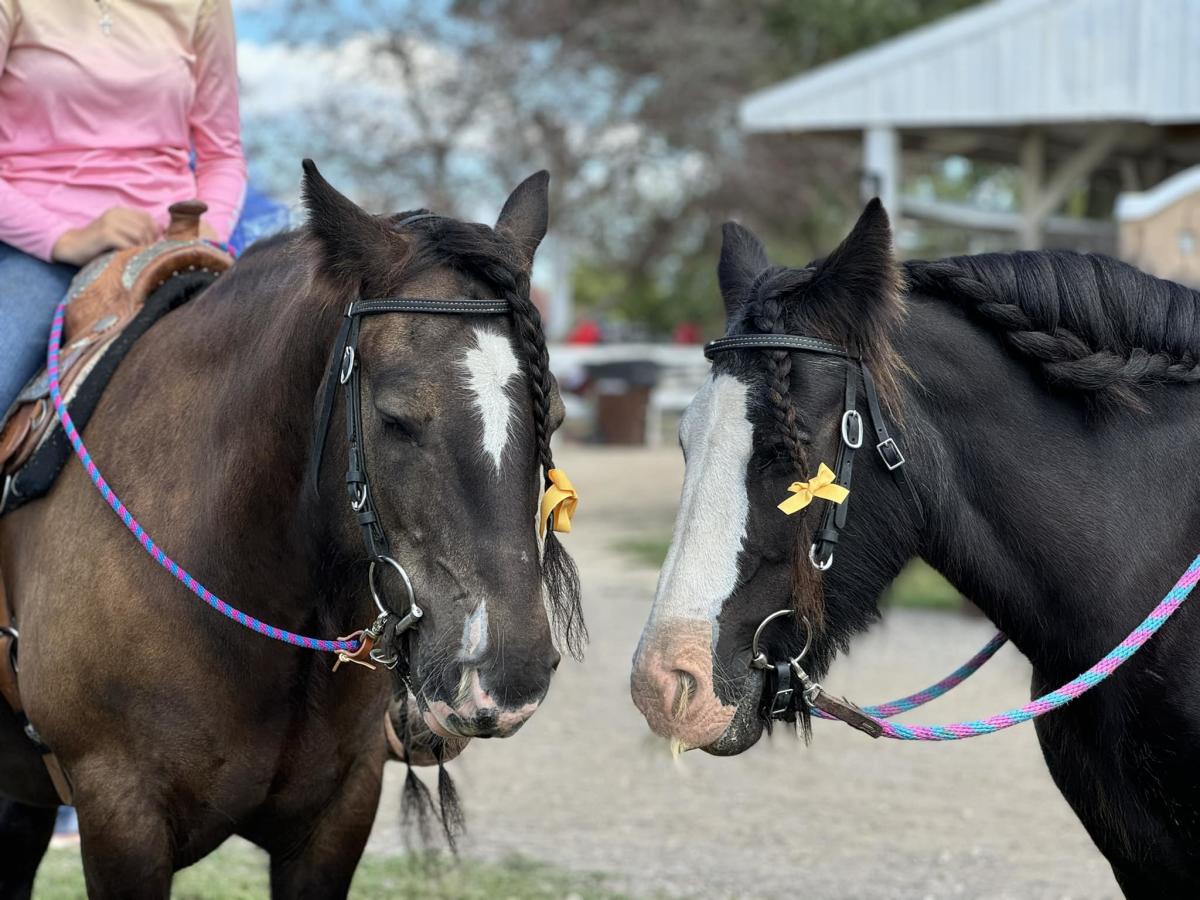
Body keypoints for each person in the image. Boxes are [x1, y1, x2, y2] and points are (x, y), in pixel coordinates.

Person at [0, 0, 247, 413]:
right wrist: (65, 238)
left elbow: (222, 155)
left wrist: (210, 228)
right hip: (38, 252)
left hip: (173, 252)